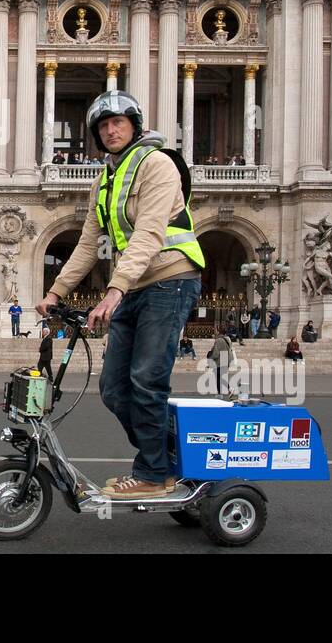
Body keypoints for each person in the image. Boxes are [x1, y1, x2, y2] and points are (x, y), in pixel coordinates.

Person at [35, 90, 204, 501]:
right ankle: (177, 459)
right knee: (113, 390)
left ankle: (151, 472)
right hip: (135, 286)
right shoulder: (105, 180)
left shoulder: (158, 165)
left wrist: (113, 291)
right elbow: (89, 244)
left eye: (119, 122)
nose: (111, 130)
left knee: (146, 380)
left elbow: (148, 233)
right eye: (104, 125)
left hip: (171, 280)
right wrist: (54, 293)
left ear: (135, 125)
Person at [207, 326, 232, 397]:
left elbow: (216, 353)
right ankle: (229, 389)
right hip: (226, 360)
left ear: (219, 332)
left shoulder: (218, 340)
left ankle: (220, 393)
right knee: (221, 377)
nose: (215, 332)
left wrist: (211, 359)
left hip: (219, 361)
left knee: (218, 377)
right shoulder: (228, 340)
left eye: (216, 331)